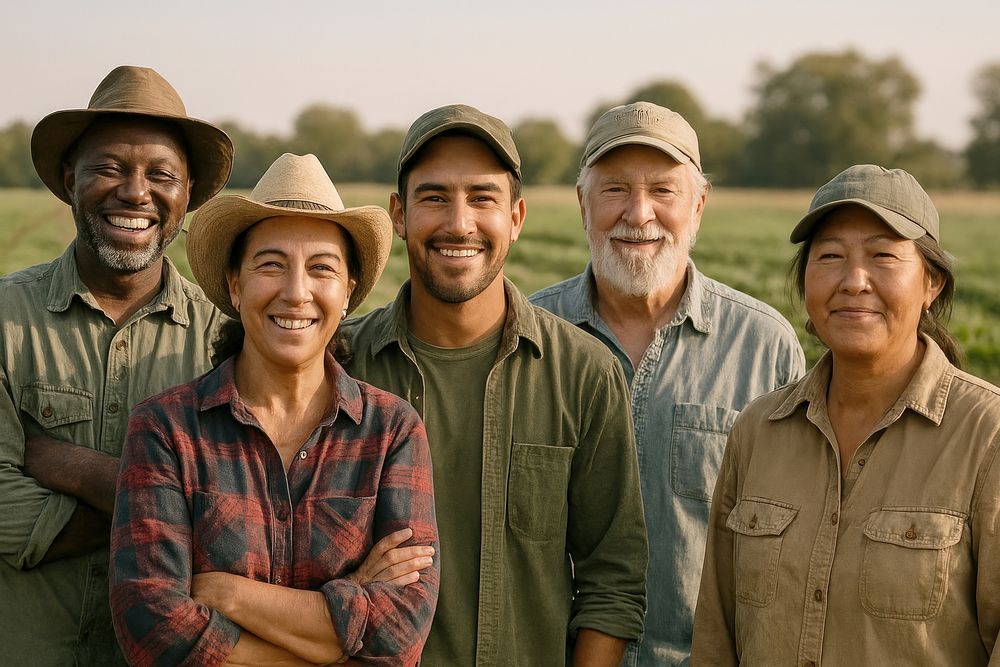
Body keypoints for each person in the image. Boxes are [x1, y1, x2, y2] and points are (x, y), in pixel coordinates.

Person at [343, 104, 648, 666]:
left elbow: (613, 581)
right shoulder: (341, 366)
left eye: (482, 198)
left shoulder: (581, 373)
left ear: (516, 217)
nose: (459, 223)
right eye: (434, 197)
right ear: (398, 214)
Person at [109, 153, 439, 666]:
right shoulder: (167, 429)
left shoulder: (391, 431)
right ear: (236, 285)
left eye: (321, 268)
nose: (295, 292)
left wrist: (229, 594)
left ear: (348, 291)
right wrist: (344, 615)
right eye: (271, 265)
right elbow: (152, 631)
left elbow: (398, 636)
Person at [691, 165, 1000, 665]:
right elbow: (716, 633)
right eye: (830, 257)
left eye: (883, 256)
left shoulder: (987, 435)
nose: (854, 282)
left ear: (932, 283)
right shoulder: (758, 430)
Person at [531, 101, 804, 665]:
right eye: (614, 190)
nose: (638, 213)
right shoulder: (529, 336)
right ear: (583, 204)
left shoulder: (764, 347)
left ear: (698, 206)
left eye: (663, 190)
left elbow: (792, 550)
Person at [0, 65, 234, 665]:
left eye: (161, 175)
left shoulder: (226, 340)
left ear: (188, 195)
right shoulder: (4, 317)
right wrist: (173, 516)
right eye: (109, 168)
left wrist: (67, 465)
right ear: (67, 178)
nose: (135, 192)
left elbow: (241, 520)